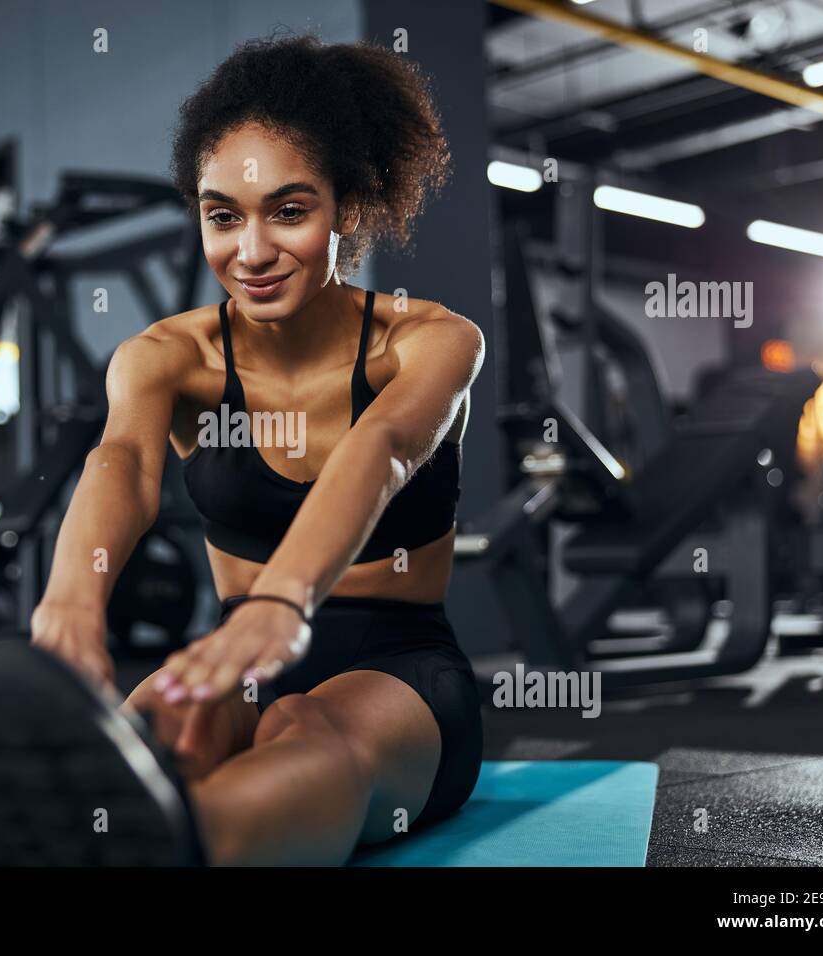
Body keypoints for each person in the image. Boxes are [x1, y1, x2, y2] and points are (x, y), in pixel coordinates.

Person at [28, 32, 486, 866]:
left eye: (288, 210)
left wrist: (283, 600)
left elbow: (381, 448)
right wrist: (71, 601)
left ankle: (180, 847)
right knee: (159, 735)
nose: (251, 251)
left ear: (345, 209)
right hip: (234, 652)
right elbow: (121, 463)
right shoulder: (169, 357)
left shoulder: (428, 341)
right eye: (222, 216)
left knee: (301, 726)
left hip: (403, 673)